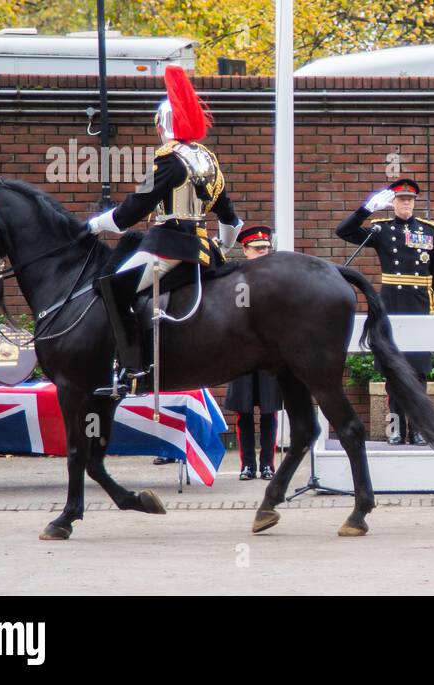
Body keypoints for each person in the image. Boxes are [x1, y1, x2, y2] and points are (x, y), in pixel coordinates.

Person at [86, 65, 242, 397]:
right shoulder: (208, 159)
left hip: (167, 246)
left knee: (113, 288)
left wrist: (94, 224)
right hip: (205, 248)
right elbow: (231, 219)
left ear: (161, 125)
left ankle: (131, 369)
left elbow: (129, 213)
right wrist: (222, 249)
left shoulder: (168, 160)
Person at [335, 178, 434, 445]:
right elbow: (344, 231)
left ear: (414, 202)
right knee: (394, 371)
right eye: (400, 199)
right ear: (392, 203)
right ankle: (395, 427)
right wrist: (366, 210)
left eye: (410, 199)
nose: (406, 203)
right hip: (392, 305)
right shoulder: (380, 230)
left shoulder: (427, 231)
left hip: (419, 307)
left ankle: (418, 428)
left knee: (418, 372)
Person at [224, 225, 283, 480]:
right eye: (258, 249)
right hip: (242, 352)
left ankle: (267, 464)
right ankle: (247, 464)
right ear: (245, 250)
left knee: (269, 411)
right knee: (244, 412)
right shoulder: (237, 277)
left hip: (269, 353)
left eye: (266, 249)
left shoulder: (278, 278)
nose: (263, 253)